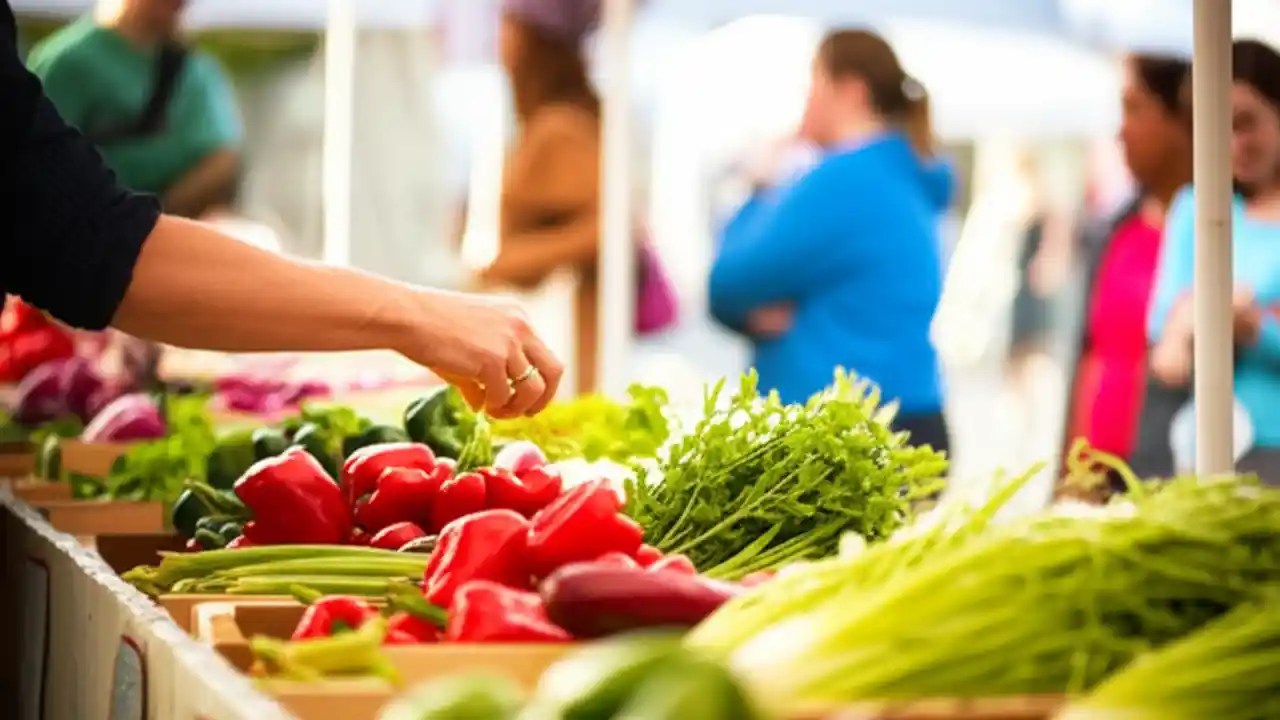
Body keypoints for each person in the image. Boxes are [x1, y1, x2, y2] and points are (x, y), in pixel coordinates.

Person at [0, 0, 561, 418]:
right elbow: (100, 247)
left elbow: (92, 235)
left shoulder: (193, 72)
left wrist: (415, 317)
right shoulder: (74, 60)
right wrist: (416, 316)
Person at [708, 29, 954, 453]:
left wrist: (761, 187)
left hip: (843, 433)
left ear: (851, 91)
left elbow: (725, 283)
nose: (805, 101)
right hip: (912, 417)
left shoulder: (841, 180)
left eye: (812, 84)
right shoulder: (910, 172)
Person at [1147, 39, 1280, 478]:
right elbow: (1162, 331)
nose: (1234, 143)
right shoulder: (1196, 209)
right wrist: (1193, 323)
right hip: (1203, 447)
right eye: (1220, 126)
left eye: (1248, 123)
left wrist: (1256, 329)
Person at [1061, 55, 1192, 484]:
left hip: (1165, 475)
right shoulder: (1116, 228)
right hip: (1093, 475)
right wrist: (1069, 470)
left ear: (1184, 120)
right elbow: (1087, 356)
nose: (1121, 131)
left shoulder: (1222, 235)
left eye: (1135, 109)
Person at [480, 1, 603, 395]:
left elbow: (602, 232)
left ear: (535, 42)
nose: (499, 42)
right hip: (548, 348)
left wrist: (504, 263)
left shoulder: (560, 128)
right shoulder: (552, 121)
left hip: (554, 349)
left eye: (508, 28)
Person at [26, 0, 241, 219]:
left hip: (174, 221)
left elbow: (222, 158)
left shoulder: (198, 72)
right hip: (88, 224)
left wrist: (160, 215)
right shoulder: (69, 62)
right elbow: (37, 165)